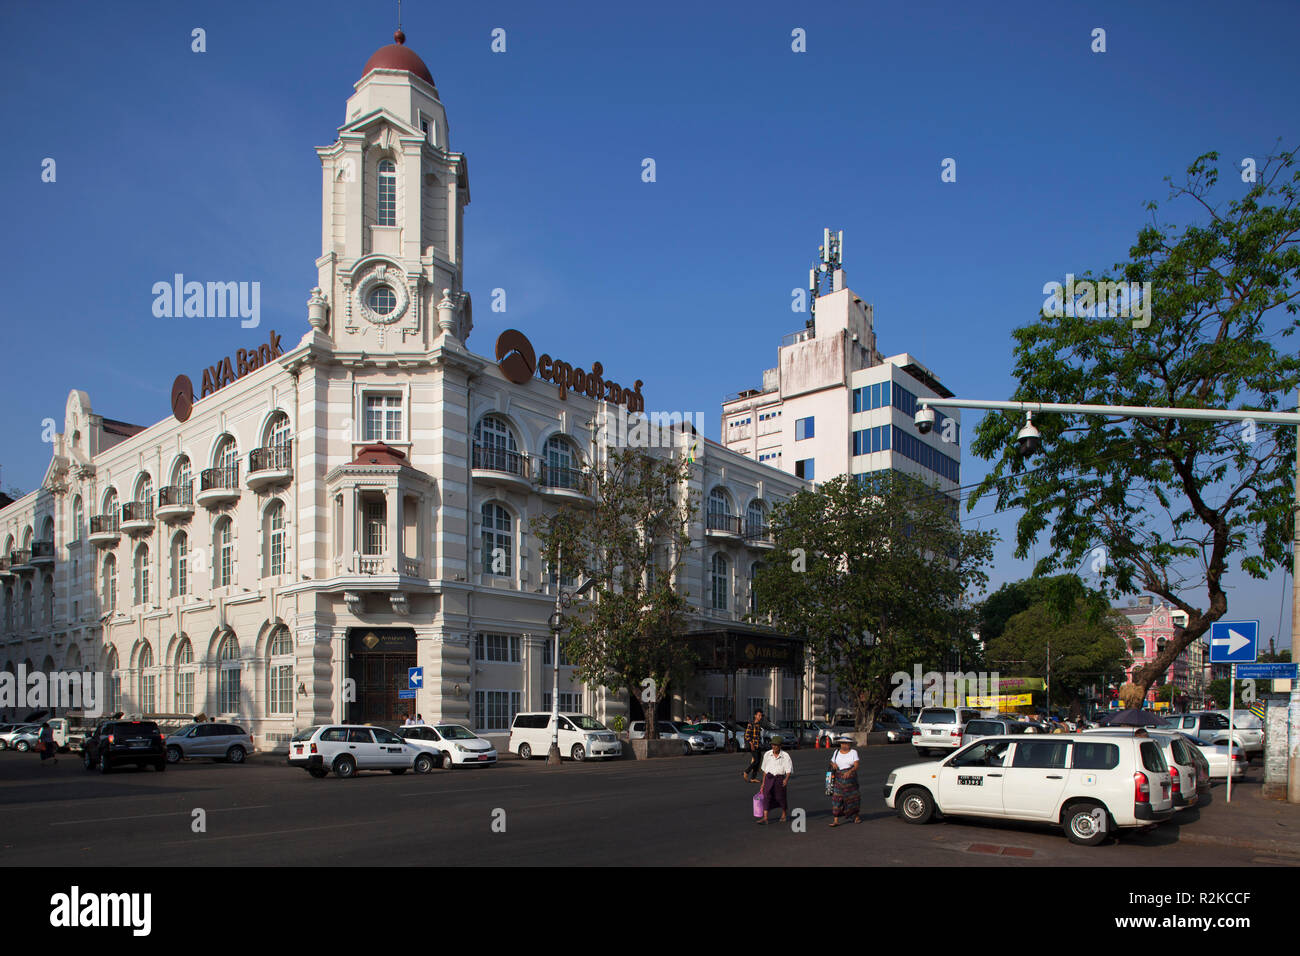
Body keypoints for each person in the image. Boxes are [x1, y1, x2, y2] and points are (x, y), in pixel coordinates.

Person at [756, 735, 793, 824]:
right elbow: (765, 770)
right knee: (766, 796)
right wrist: (763, 783)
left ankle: (784, 813)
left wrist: (786, 780)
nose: (774, 747)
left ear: (780, 746)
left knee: (780, 797)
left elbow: (788, 770)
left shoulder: (785, 756)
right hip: (769, 778)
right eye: (773, 745)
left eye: (776, 745)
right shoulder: (767, 754)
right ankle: (765, 818)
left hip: (779, 779)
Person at [828, 734, 861, 826]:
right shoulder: (836, 752)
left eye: (846, 743)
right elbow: (831, 761)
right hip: (838, 778)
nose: (844, 745)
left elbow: (856, 765)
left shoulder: (853, 752)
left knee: (853, 798)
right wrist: (833, 764)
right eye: (842, 743)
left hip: (850, 779)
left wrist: (850, 772)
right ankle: (835, 820)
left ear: (849, 744)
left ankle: (856, 816)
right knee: (837, 798)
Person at [742, 708, 765, 783]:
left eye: (761, 715)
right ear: (755, 716)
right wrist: (751, 744)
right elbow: (747, 735)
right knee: (756, 760)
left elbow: (757, 737)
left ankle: (753, 778)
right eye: (759, 715)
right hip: (752, 746)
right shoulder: (750, 724)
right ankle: (746, 772)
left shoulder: (758, 725)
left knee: (758, 761)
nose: (760, 717)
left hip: (757, 745)